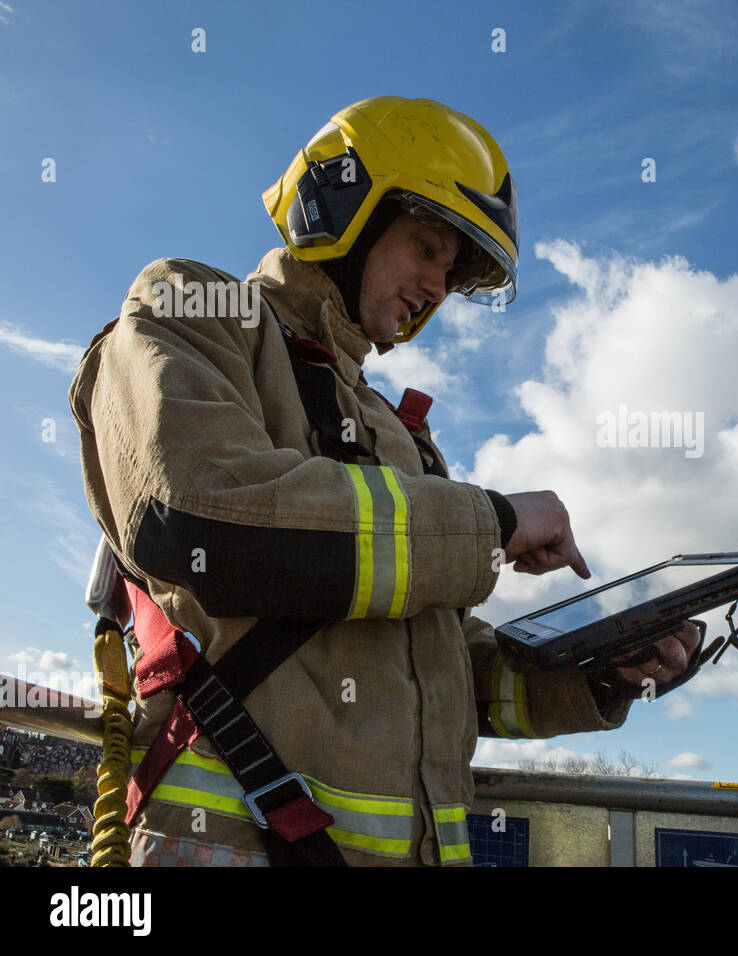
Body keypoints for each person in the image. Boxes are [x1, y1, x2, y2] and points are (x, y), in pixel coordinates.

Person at [69, 96, 703, 867]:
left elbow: (448, 676)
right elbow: (204, 519)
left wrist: (604, 670)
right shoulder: (195, 310)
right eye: (427, 249)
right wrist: (492, 523)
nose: (437, 289)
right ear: (341, 208)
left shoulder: (398, 433)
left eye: (453, 272)